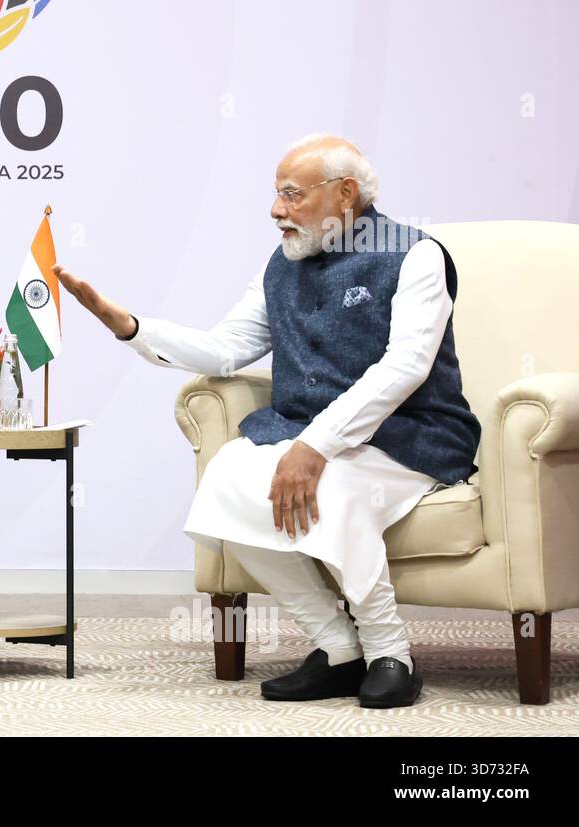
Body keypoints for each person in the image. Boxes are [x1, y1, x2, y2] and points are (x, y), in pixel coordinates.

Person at [54, 133, 481, 708]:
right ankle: (338, 648)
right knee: (227, 483)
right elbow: (228, 347)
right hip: (305, 432)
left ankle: (389, 652)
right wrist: (128, 325)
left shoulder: (415, 255)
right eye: (277, 195)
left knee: (338, 485)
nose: (276, 210)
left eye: (291, 194)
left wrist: (317, 447)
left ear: (345, 193)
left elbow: (405, 366)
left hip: (411, 435)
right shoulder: (285, 262)